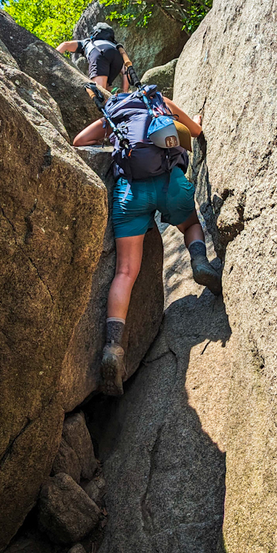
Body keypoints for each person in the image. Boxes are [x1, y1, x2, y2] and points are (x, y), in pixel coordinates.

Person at [73, 89, 222, 396]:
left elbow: (79, 142)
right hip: (170, 182)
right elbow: (195, 131)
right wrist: (193, 120)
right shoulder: (157, 102)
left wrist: (113, 142)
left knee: (125, 272)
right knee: (191, 224)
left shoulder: (113, 114)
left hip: (130, 193)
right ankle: (200, 262)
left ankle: (113, 348)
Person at [56, 22, 130, 93]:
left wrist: (53, 57)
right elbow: (125, 71)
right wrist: (125, 91)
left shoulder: (88, 42)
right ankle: (116, 92)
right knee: (106, 85)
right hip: (117, 55)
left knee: (99, 91)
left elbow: (65, 44)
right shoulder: (113, 45)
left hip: (99, 52)